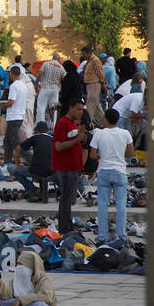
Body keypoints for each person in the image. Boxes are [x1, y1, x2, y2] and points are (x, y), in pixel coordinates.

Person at [91, 108, 134, 241]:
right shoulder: (125, 133)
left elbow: (92, 154)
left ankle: (103, 236)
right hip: (120, 171)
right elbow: (131, 154)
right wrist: (121, 154)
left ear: (105, 119)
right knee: (121, 205)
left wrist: (101, 156)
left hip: (104, 170)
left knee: (103, 205)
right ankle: (121, 236)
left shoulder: (99, 133)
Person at [52, 99, 88, 234]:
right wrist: (77, 140)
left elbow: (73, 140)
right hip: (66, 166)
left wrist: (81, 137)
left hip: (73, 165)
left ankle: (67, 226)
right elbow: (58, 146)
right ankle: (65, 228)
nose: (81, 112)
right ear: (71, 107)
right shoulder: (63, 123)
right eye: (78, 109)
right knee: (67, 198)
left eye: (82, 110)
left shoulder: (73, 124)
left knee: (69, 198)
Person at [9, 121, 54, 201]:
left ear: (37, 130)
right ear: (47, 130)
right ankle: (39, 190)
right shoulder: (52, 139)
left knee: (15, 171)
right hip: (51, 171)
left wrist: (17, 163)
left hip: (36, 171)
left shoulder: (34, 137)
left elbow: (18, 148)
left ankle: (33, 189)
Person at [2, 64, 31, 162]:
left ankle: (30, 158)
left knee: (14, 141)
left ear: (11, 74)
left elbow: (11, 101)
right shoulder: (23, 85)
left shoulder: (14, 86)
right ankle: (7, 161)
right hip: (20, 115)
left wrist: (5, 106)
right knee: (7, 141)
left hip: (13, 116)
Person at [36, 53, 65, 126]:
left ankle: (40, 124)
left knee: (41, 107)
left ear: (52, 58)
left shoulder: (46, 64)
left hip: (45, 87)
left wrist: (36, 82)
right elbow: (64, 78)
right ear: (58, 59)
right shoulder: (61, 67)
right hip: (55, 89)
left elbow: (40, 73)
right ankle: (54, 124)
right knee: (54, 108)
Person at [80, 45, 106, 124]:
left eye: (84, 54)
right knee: (96, 105)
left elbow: (100, 72)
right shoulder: (89, 61)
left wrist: (102, 83)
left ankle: (87, 122)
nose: (83, 56)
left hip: (94, 83)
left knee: (90, 103)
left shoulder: (95, 60)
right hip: (90, 84)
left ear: (89, 53)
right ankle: (105, 122)